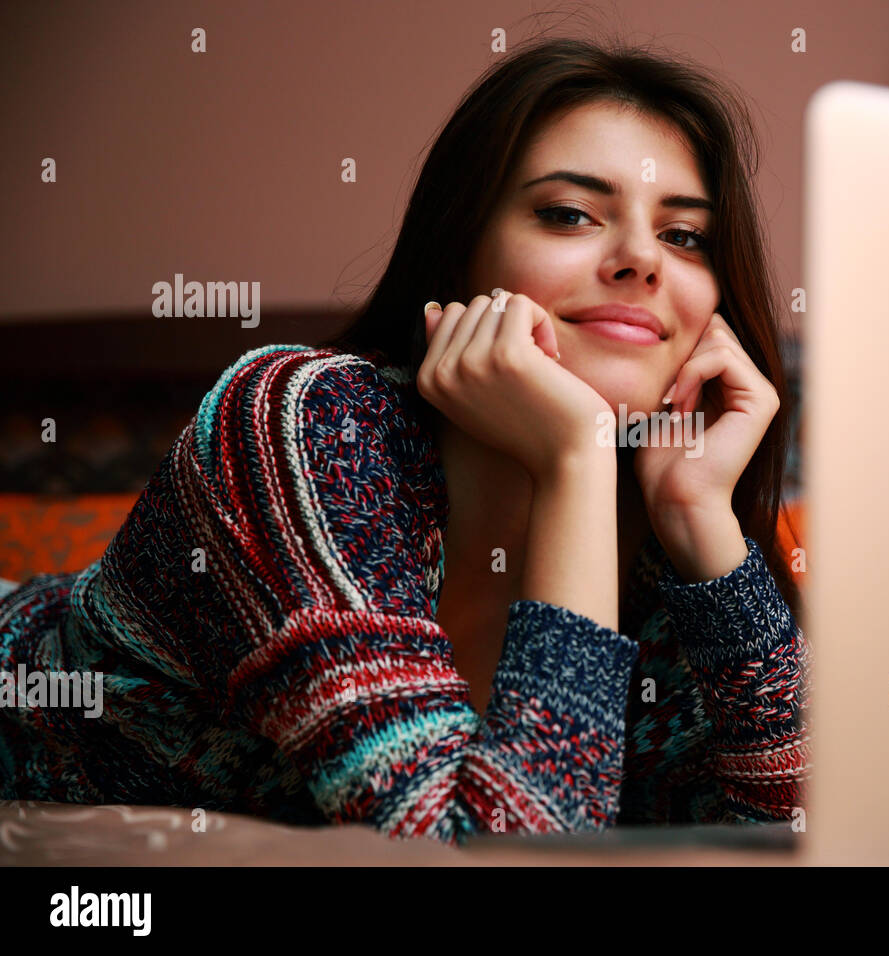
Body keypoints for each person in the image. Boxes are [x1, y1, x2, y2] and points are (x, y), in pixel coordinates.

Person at [0, 35, 810, 846]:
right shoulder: (304, 420)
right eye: (569, 214)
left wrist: (702, 519)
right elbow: (510, 857)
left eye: (684, 235)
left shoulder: (663, 544)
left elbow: (810, 829)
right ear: (459, 258)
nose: (641, 259)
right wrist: (576, 457)